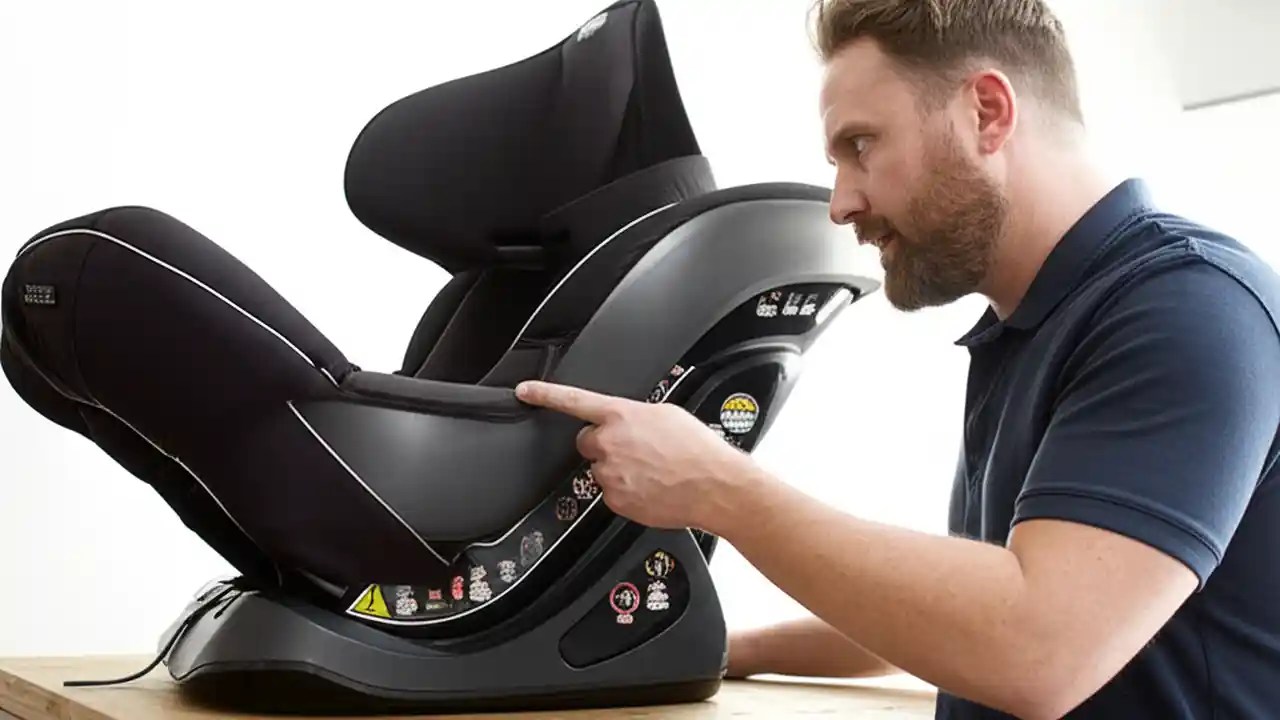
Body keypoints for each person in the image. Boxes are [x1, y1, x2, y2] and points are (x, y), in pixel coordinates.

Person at [516, 0, 1280, 717]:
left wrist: (714, 487)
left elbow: (1036, 646)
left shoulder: (1189, 309)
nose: (840, 202)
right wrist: (714, 649)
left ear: (987, 111)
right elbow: (960, 607)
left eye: (860, 146)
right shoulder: (1036, 326)